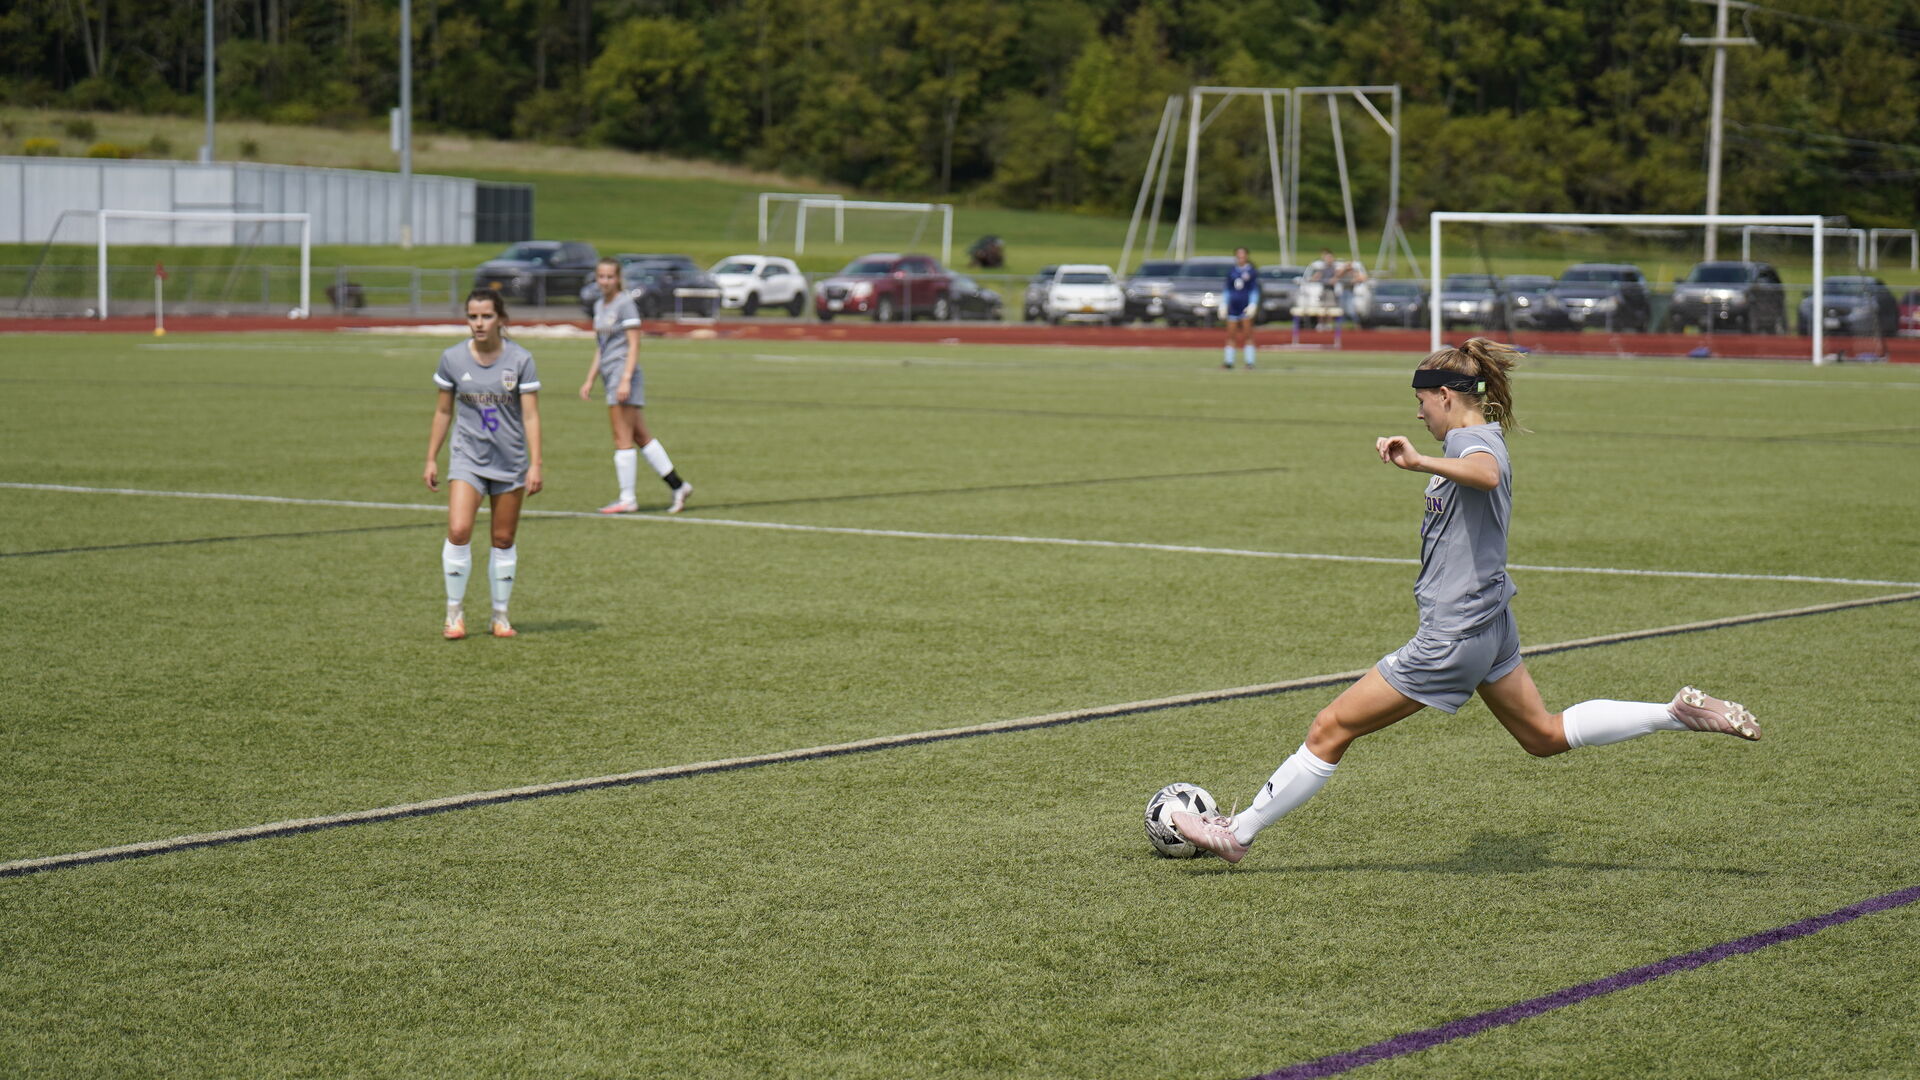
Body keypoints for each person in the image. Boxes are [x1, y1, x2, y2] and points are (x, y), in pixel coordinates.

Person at [1171, 338, 1760, 865]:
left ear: (1446, 396)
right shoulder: (1477, 437)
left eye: (1422, 402)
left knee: (1331, 727)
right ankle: (1672, 712)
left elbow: (1484, 474)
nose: (1419, 413)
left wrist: (1420, 461)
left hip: (1454, 633)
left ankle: (1238, 833)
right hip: (1490, 623)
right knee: (1542, 736)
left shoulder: (1471, 442)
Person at [424, 290, 543, 640]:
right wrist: (431, 457)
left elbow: (531, 416)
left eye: (486, 316)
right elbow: (443, 411)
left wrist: (536, 463)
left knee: (503, 539)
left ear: (501, 319)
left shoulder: (521, 360)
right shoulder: (452, 358)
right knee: (459, 530)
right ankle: (454, 614)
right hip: (468, 459)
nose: (479, 323)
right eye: (473, 316)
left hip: (510, 461)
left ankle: (500, 616)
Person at [582, 258, 692, 514]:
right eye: (601, 276)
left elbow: (634, 344)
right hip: (609, 375)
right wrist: (590, 378)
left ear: (618, 278)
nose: (605, 281)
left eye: (610, 276)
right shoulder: (599, 305)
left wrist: (625, 378)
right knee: (640, 436)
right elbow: (601, 347)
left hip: (622, 375)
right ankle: (678, 485)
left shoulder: (625, 304)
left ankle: (627, 498)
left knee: (621, 437)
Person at [1222, 247, 1260, 370]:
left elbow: (1254, 290)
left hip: (1245, 306)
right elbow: (1227, 289)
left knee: (1247, 334)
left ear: (1246, 256)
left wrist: (1253, 304)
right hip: (1233, 306)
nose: (1241, 258)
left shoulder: (1252, 272)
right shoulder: (1232, 271)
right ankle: (1229, 362)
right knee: (1231, 335)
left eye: (1243, 256)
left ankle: (1250, 362)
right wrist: (1224, 304)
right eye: (1238, 256)